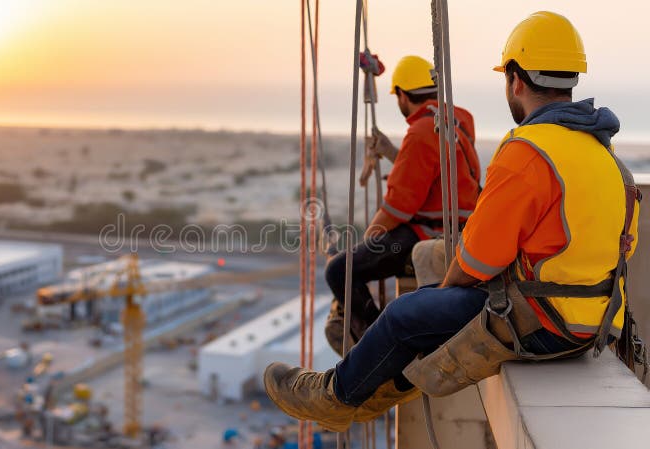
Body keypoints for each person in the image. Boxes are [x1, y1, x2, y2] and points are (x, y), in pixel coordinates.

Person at [264, 11, 639, 432]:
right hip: (596, 323)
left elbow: (476, 261)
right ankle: (378, 382)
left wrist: (437, 298)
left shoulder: (528, 150)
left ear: (515, 79)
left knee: (407, 314)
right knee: (429, 302)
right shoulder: (604, 155)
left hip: (544, 324)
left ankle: (337, 397)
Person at [323, 55, 481, 355]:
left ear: (404, 96)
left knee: (339, 271)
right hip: (462, 224)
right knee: (355, 261)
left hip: (429, 234)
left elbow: (398, 208)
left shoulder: (421, 131)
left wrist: (371, 237)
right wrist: (392, 152)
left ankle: (374, 343)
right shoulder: (459, 119)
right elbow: (439, 171)